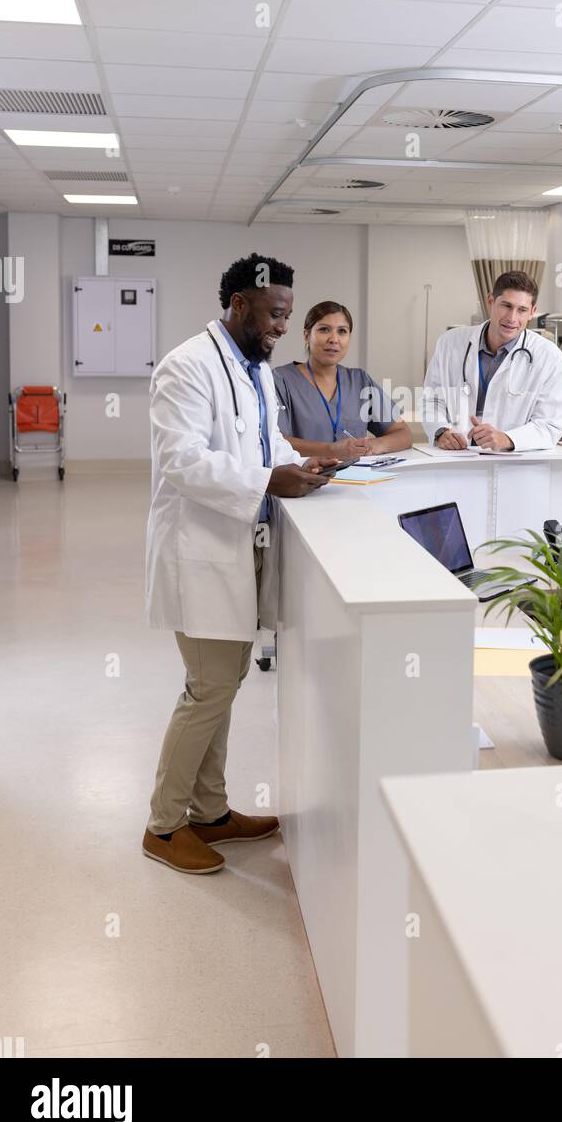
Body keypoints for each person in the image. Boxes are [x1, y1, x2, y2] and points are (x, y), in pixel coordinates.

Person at [143, 253, 338, 875]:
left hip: (239, 544)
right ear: (238, 305)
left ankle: (211, 811)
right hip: (197, 549)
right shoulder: (187, 367)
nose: (284, 326)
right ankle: (164, 824)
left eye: (286, 314)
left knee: (222, 686)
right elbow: (183, 460)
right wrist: (265, 478)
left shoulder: (251, 367)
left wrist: (299, 467)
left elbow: (266, 440)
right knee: (208, 689)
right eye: (276, 315)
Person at [420, 271, 562, 451]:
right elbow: (432, 400)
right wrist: (441, 431)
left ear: (532, 312)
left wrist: (507, 439)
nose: (512, 318)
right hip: (456, 460)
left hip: (514, 467)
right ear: (490, 301)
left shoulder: (549, 357)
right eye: (506, 306)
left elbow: (550, 425)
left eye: (522, 310)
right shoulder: (450, 343)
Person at [273, 300, 412, 460]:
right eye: (324, 330)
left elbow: (404, 434)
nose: (334, 339)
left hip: (357, 479)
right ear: (307, 335)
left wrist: (372, 446)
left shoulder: (359, 381)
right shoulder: (281, 380)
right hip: (305, 479)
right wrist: (332, 450)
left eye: (342, 331)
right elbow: (276, 442)